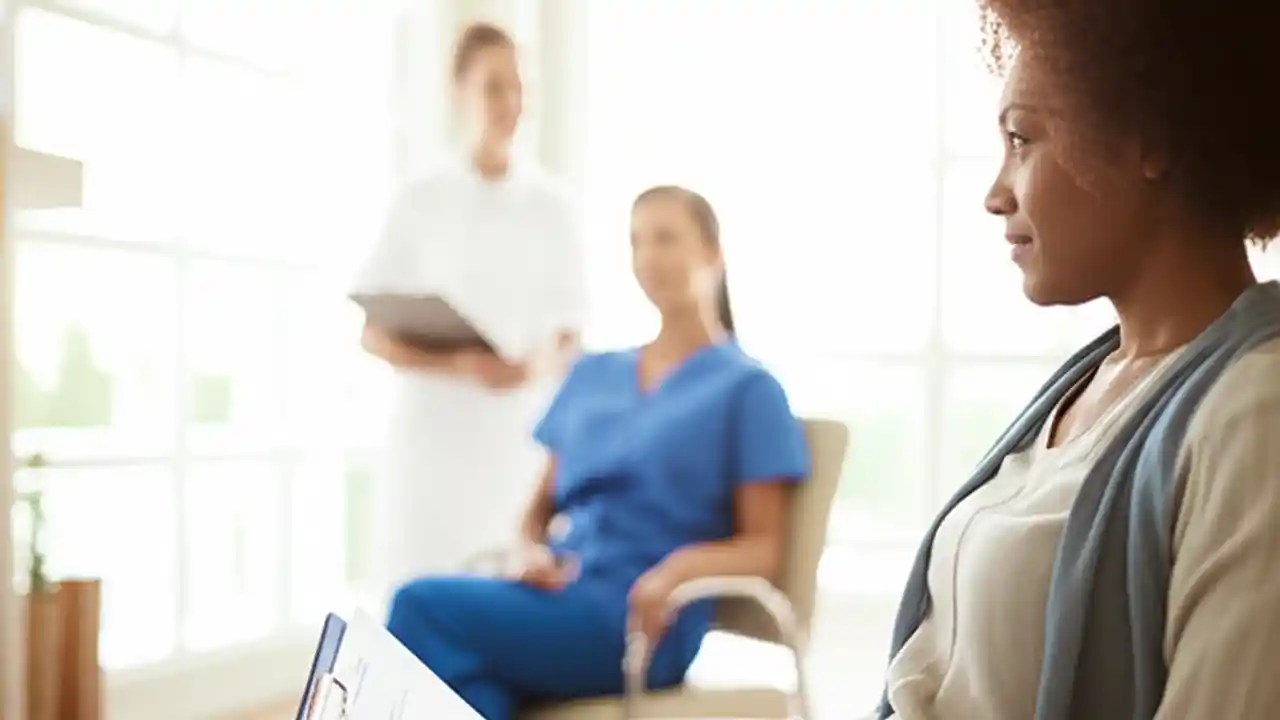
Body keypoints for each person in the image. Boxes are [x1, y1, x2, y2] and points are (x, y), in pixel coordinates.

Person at [879, 2, 1280, 719]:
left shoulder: (1257, 412)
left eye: (1022, 139)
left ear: (1149, 138)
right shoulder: (1089, 383)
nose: (995, 194)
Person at [385, 186, 811, 719]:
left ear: (712, 253)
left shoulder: (748, 389)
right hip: (558, 593)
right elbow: (536, 513)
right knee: (474, 689)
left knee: (419, 607)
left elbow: (763, 548)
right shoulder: (593, 373)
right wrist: (528, 552)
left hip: (643, 620)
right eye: (636, 241)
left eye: (666, 239)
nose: (648, 257)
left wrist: (678, 570)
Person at [355, 23, 586, 588]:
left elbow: (570, 335)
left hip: (516, 442)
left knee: (505, 590)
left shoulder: (554, 209)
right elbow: (373, 334)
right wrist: (458, 364)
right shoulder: (420, 199)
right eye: (494, 86)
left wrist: (531, 367)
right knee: (418, 592)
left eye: (520, 87)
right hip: (430, 443)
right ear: (460, 92)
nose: (510, 103)